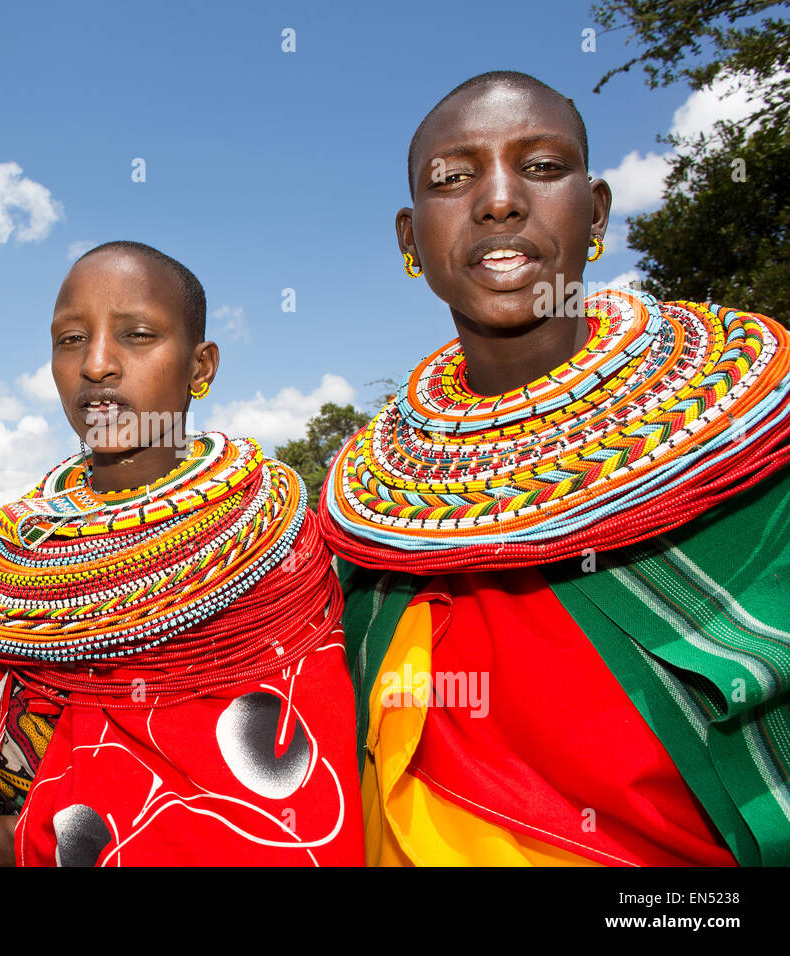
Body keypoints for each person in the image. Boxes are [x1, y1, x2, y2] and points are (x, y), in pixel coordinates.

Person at [319, 71, 790, 866]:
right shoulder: (369, 538)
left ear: (596, 211)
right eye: (452, 178)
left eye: (540, 166)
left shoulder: (751, 461)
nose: (498, 200)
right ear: (410, 239)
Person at [0, 241, 361, 866]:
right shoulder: (7, 553)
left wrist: (22, 841)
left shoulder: (273, 551)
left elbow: (279, 785)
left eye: (139, 335)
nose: (97, 364)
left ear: (201, 366)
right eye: (71, 340)